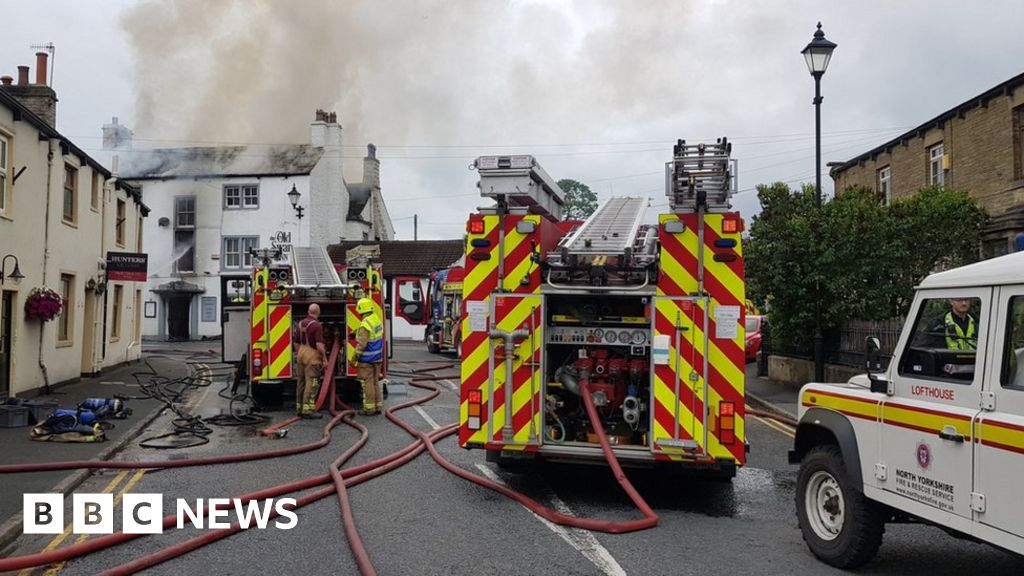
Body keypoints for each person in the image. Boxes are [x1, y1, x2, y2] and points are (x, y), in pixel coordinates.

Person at [351, 297, 384, 416]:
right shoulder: (376, 319)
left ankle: (369, 408)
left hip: (367, 359)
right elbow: (372, 334)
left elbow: (362, 344)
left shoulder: (365, 324)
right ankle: (377, 406)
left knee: (367, 383)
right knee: (375, 382)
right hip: (377, 358)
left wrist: (354, 358)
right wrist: (356, 332)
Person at [294, 303, 327, 419]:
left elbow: (296, 342)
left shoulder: (300, 323)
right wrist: (324, 358)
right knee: (311, 382)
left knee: (301, 381)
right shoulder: (317, 325)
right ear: (318, 312)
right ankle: (308, 410)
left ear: (308, 311)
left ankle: (300, 408)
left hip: (301, 353)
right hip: (312, 355)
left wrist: (299, 354)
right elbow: (319, 345)